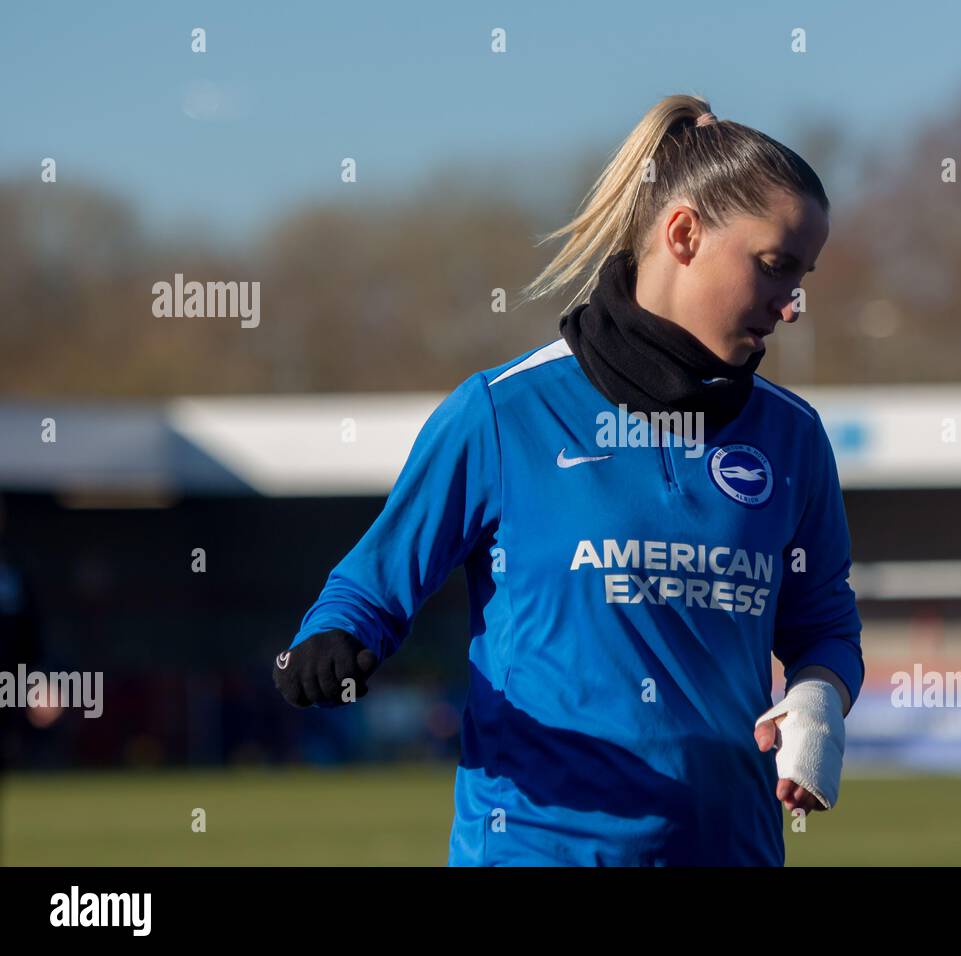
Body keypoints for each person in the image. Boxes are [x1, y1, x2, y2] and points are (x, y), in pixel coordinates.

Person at [274, 94, 864, 866]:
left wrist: (820, 698)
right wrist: (330, 642)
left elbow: (824, 622)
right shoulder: (502, 415)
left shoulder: (793, 437)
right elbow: (370, 589)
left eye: (802, 275)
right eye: (776, 267)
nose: (792, 306)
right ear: (683, 234)